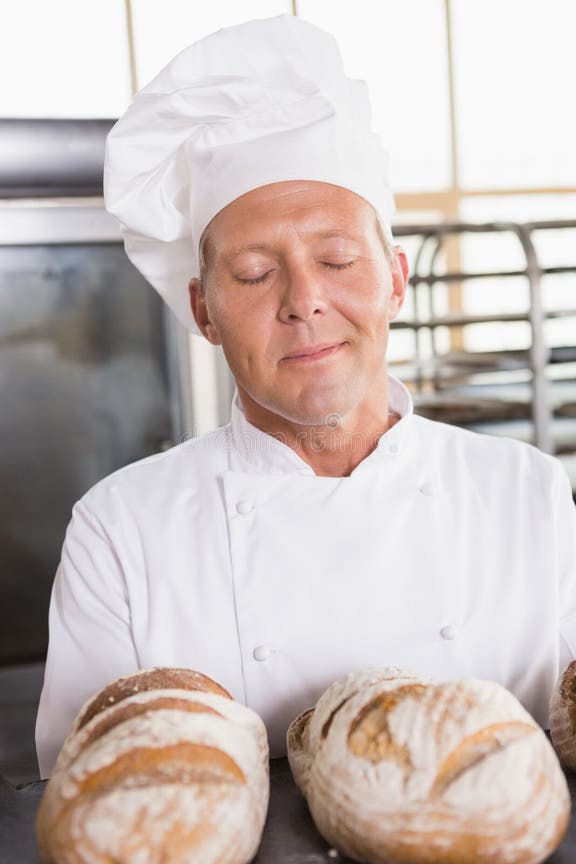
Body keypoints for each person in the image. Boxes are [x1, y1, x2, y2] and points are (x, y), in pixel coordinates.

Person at [35, 15, 576, 779]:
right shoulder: (122, 535)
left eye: (338, 258)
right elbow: (93, 798)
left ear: (394, 279)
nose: (304, 301)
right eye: (255, 273)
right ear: (203, 311)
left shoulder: (528, 496)